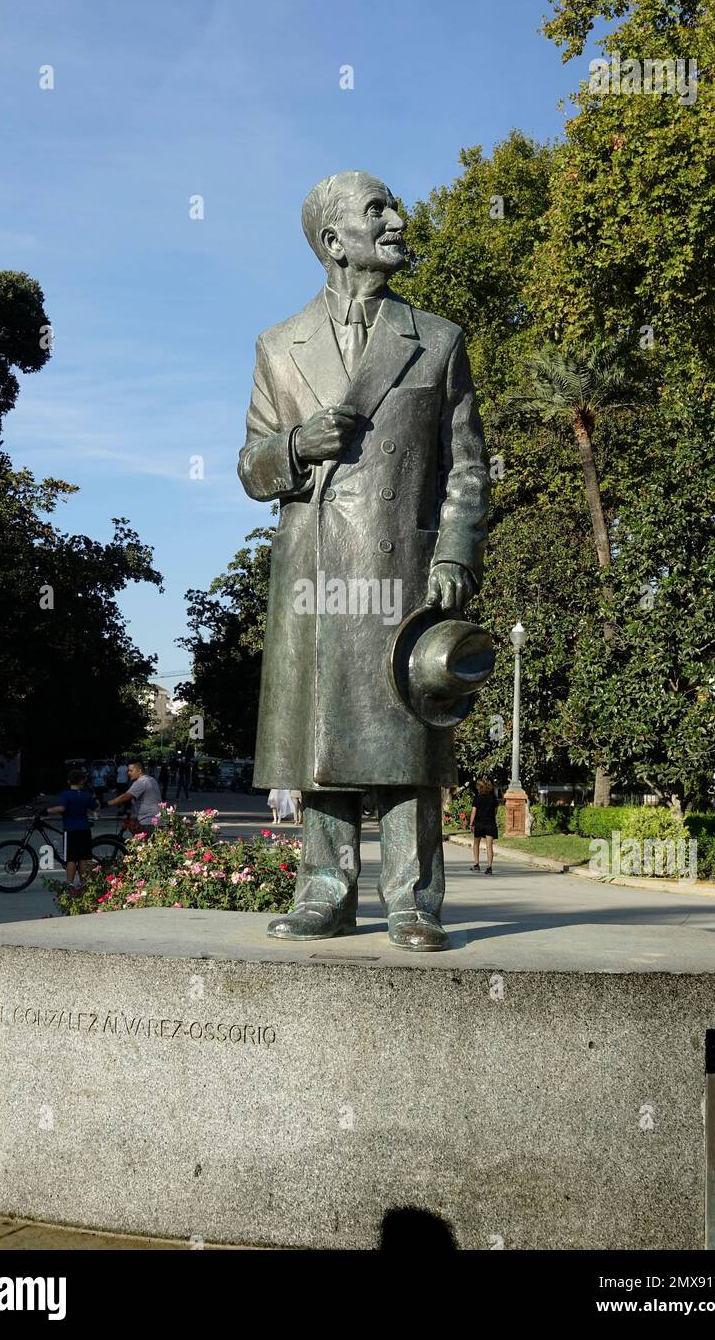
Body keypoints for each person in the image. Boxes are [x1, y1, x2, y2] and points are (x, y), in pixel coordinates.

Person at [238, 170, 491, 951]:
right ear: (333, 240)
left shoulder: (438, 339)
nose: (398, 219)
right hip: (317, 566)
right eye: (377, 209)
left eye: (392, 205)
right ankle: (325, 890)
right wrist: (292, 446)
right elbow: (250, 467)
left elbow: (468, 468)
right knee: (321, 735)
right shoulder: (280, 347)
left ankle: (413, 901)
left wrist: (454, 551)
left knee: (409, 729)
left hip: (402, 570)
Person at [47, 769, 99, 893]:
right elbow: (96, 807)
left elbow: (61, 808)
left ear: (69, 781)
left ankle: (70, 883)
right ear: (82, 781)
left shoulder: (66, 794)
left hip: (70, 830)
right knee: (83, 858)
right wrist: (96, 799)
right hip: (84, 829)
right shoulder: (86, 794)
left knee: (71, 859)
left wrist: (47, 811)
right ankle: (83, 883)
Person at [107, 759, 161, 836]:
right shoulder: (150, 779)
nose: (128, 773)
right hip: (154, 819)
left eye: (131, 771)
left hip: (148, 822)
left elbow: (125, 796)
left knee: (140, 844)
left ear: (139, 771)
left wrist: (106, 804)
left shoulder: (141, 782)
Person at [470, 778, 499, 874]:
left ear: (479, 787)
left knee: (476, 844)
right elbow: (495, 811)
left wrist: (471, 823)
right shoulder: (493, 798)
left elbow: (474, 812)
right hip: (490, 823)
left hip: (479, 824)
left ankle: (477, 864)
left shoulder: (477, 798)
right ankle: (489, 867)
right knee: (489, 846)